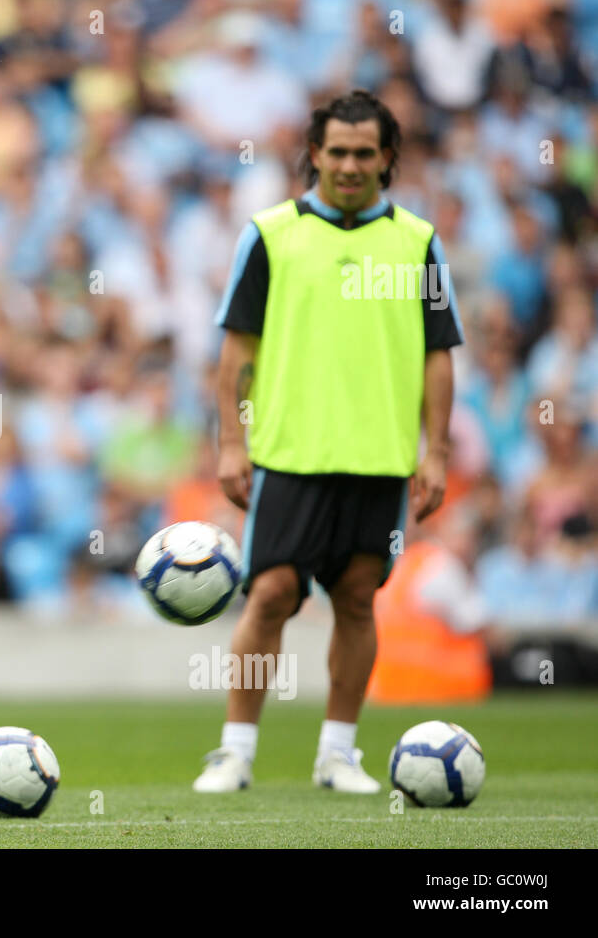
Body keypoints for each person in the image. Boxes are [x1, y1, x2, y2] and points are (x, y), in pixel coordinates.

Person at [196, 89, 464, 794]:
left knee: (355, 599)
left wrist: (434, 452)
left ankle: (338, 753)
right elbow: (237, 350)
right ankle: (235, 750)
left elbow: (440, 353)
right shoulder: (271, 234)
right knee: (272, 592)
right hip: (290, 452)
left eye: (364, 153)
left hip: (378, 455)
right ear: (314, 154)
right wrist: (231, 442)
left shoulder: (416, 241)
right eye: (337, 152)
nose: (349, 165)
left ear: (387, 159)